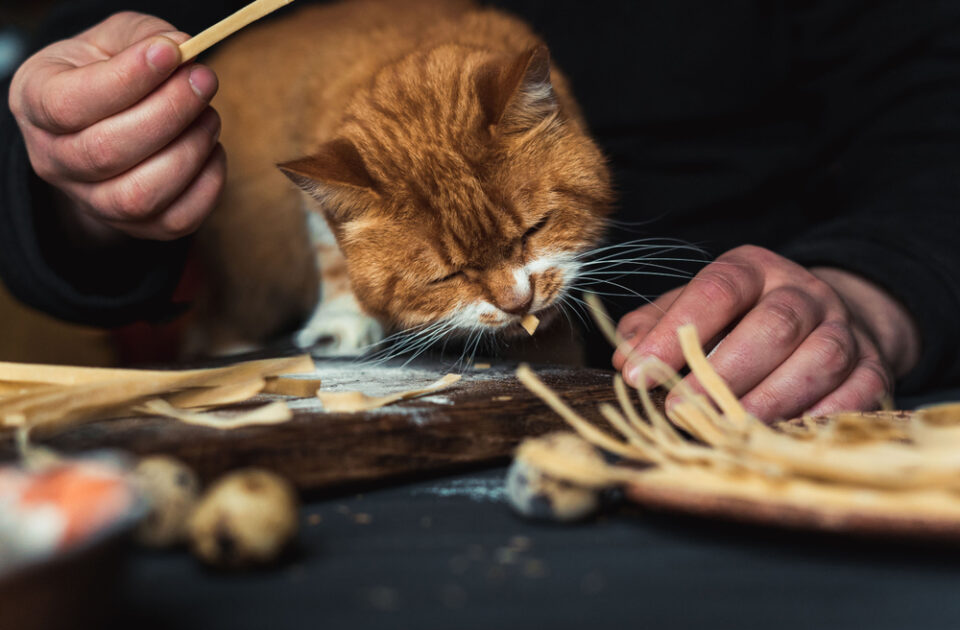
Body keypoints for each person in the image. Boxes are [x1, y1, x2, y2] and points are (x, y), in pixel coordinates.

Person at [3, 1, 960, 422]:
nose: (511, 298)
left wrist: (874, 288)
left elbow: (935, 98)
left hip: (788, 380)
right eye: (466, 272)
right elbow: (77, 62)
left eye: (527, 241)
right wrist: (84, 164)